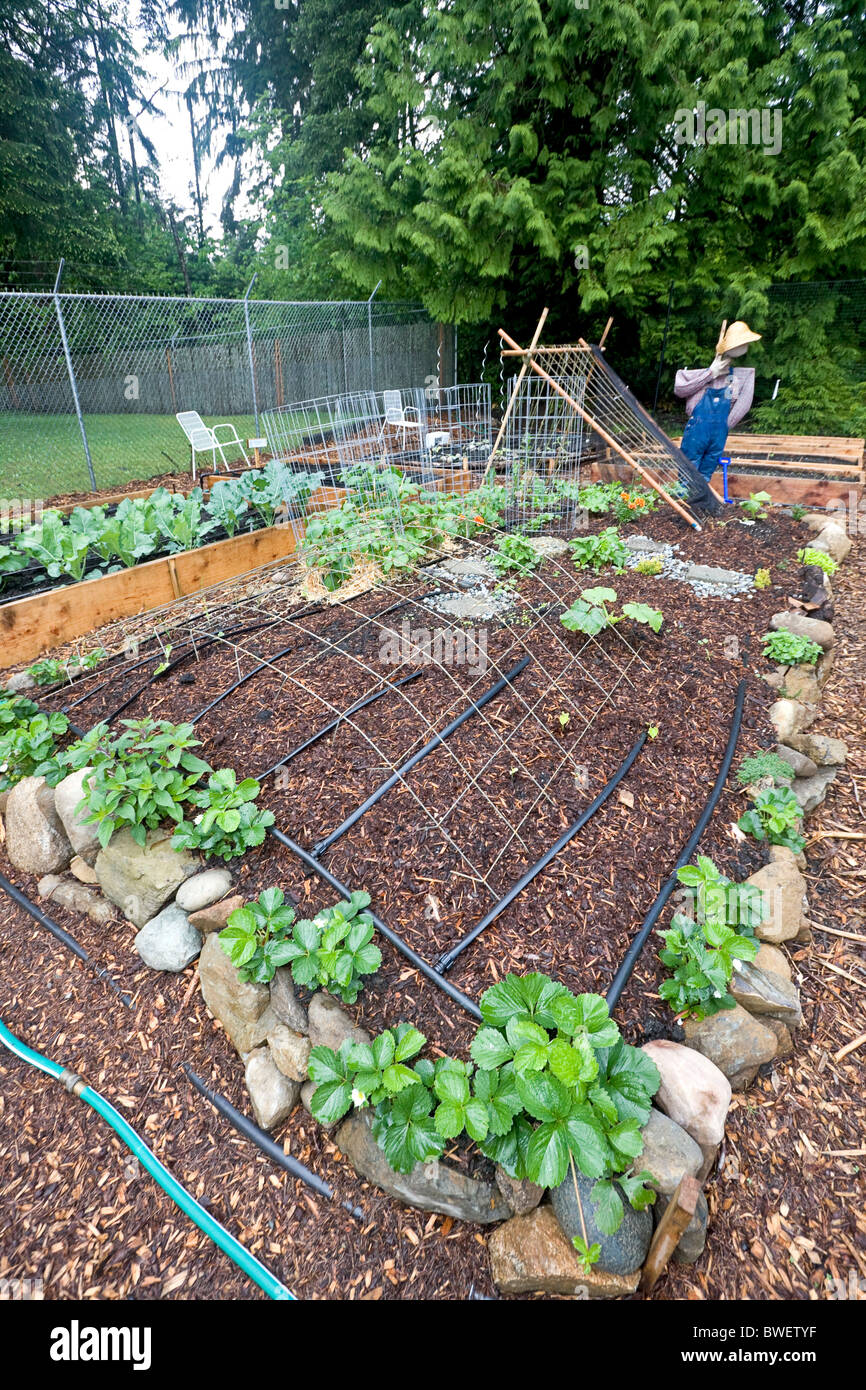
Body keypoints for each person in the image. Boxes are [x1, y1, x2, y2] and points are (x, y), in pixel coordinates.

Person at [674, 321, 761, 480]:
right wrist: (710, 374)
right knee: (688, 472)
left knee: (706, 471)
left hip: (718, 434)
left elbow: (744, 404)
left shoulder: (739, 377)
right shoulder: (700, 375)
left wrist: (726, 425)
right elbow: (680, 390)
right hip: (697, 431)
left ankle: (700, 503)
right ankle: (682, 501)